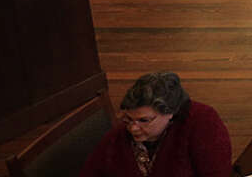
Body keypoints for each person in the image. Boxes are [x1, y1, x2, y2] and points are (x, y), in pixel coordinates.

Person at [80, 71, 231, 177]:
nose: (133, 128)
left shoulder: (203, 122)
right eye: (128, 119)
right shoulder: (117, 139)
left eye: (144, 121)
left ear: (171, 112)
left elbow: (217, 173)